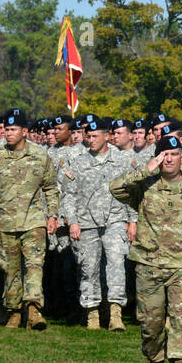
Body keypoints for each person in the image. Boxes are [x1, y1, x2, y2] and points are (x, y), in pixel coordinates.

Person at [109, 134, 182, 363]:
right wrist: (146, 169)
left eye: (174, 154)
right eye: (164, 154)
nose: (169, 159)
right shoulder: (145, 186)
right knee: (151, 323)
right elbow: (116, 188)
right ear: (158, 157)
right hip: (149, 264)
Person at [0, 109, 60, 330]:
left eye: (13, 130)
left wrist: (53, 215)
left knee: (34, 265)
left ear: (24, 131)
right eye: (6, 130)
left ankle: (33, 310)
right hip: (7, 222)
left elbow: (51, 188)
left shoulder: (40, 156)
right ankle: (13, 310)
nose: (8, 134)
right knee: (10, 269)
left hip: (34, 221)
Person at [61, 117, 134, 330]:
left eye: (95, 136)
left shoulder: (121, 161)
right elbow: (68, 195)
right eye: (88, 136)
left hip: (115, 221)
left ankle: (115, 313)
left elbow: (130, 192)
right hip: (86, 223)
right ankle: (92, 313)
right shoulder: (78, 162)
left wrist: (133, 221)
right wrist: (72, 222)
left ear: (107, 137)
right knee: (88, 267)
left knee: (116, 266)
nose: (91, 140)